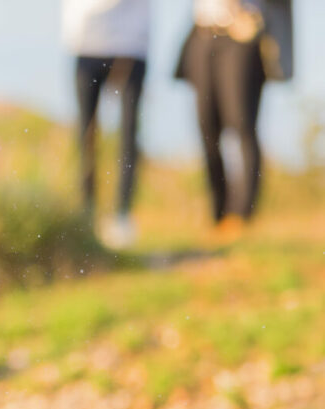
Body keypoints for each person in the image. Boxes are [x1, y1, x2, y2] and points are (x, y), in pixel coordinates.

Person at [175, 0, 294, 237]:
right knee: (207, 128)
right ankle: (218, 214)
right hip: (203, 33)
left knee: (242, 126)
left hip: (242, 33)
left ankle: (241, 215)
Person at [62, 0, 152, 250]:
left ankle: (122, 214)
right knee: (86, 134)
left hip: (130, 44)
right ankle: (85, 212)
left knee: (129, 134)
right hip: (86, 41)